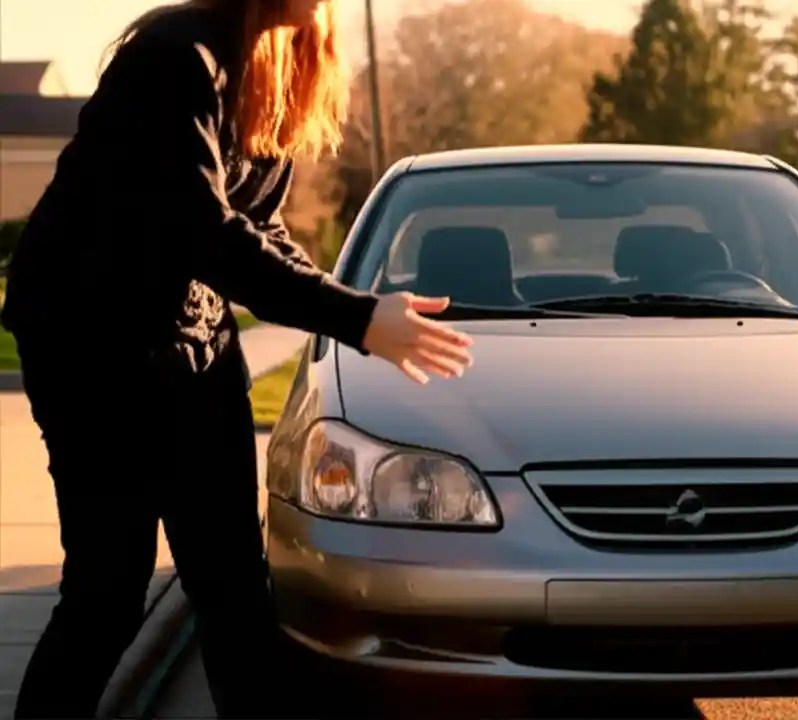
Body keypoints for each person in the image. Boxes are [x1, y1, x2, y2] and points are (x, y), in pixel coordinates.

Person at [0, 0, 473, 716]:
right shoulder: (176, 56)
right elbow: (203, 231)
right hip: (92, 351)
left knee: (232, 588)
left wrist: (352, 304)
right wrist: (356, 318)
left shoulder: (280, 69)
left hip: (193, 345)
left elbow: (259, 226)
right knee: (109, 589)